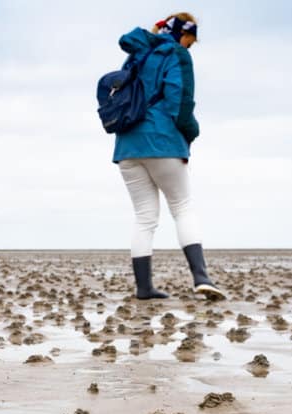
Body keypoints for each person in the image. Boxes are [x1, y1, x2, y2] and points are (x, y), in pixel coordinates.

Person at [110, 13, 224, 301]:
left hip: (127, 147)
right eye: (190, 41)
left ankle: (144, 288)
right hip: (163, 142)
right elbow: (180, 101)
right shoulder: (177, 55)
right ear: (182, 35)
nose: (190, 47)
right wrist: (190, 134)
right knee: (183, 207)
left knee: (144, 217)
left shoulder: (136, 54)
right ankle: (201, 277)